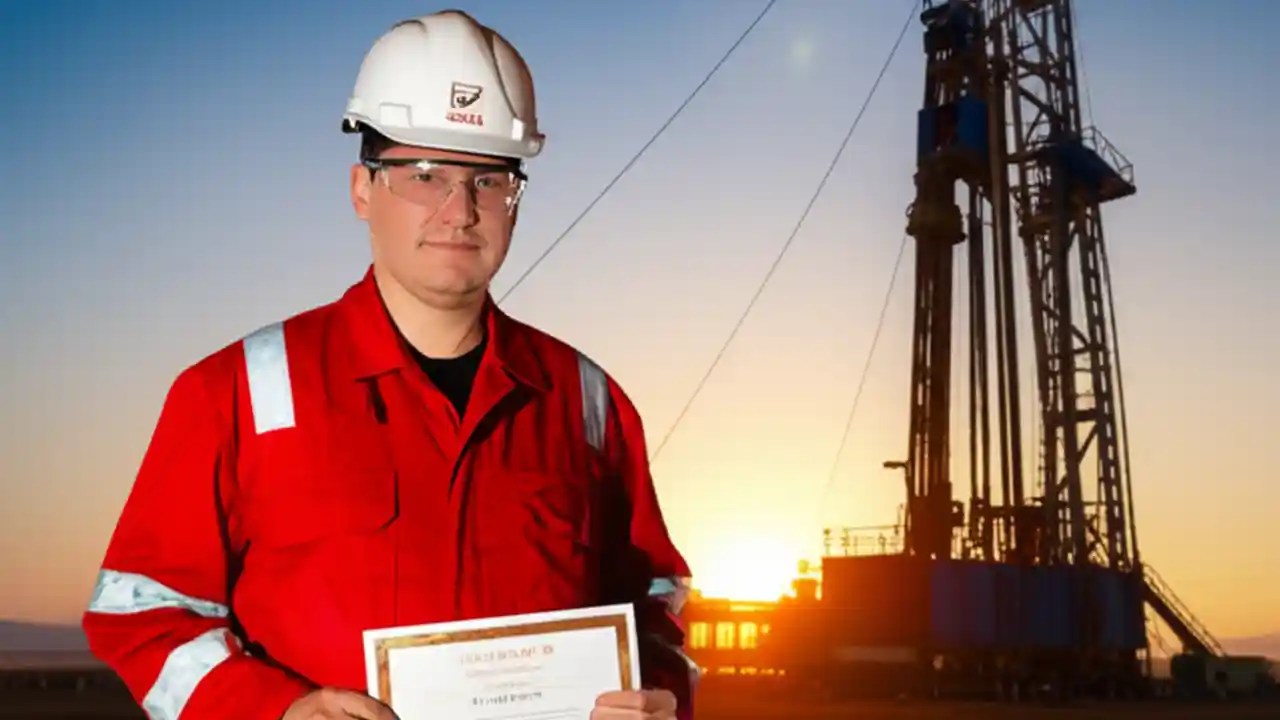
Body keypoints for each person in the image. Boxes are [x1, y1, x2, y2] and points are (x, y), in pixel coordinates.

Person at [82, 9, 697, 720]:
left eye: (489, 180)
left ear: (515, 201)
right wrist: (274, 712)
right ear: (362, 190)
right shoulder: (237, 394)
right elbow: (142, 616)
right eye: (424, 174)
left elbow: (656, 615)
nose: (459, 210)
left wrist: (661, 700)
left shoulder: (589, 404)